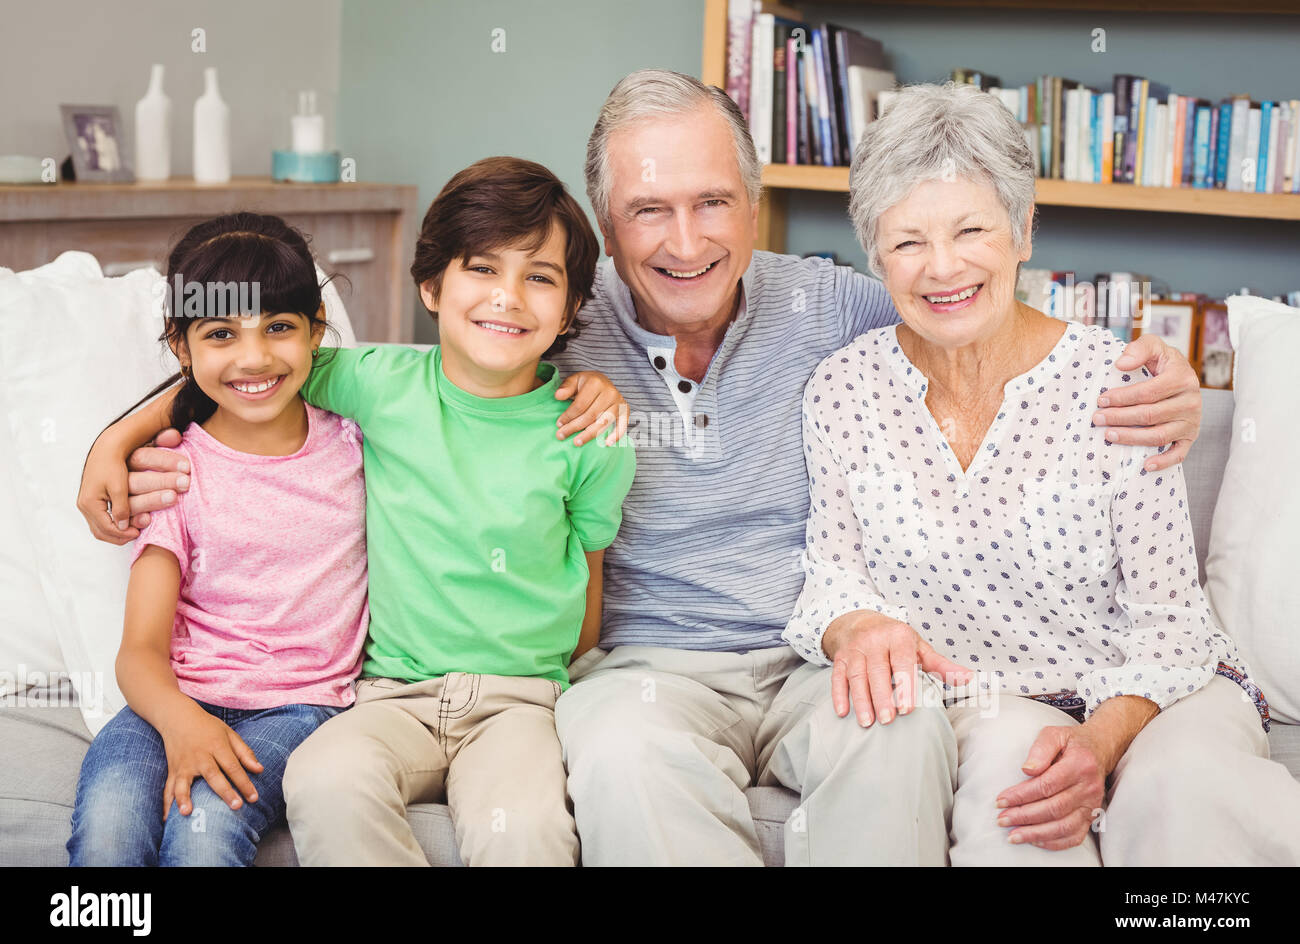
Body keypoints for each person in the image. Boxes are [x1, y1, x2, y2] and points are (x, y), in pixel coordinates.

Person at [90, 71, 1206, 866]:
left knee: (901, 722)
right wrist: (124, 430)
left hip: (813, 649)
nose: (685, 238)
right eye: (647, 210)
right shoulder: (546, 324)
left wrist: (1153, 370)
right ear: (604, 228)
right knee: (619, 749)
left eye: (712, 201)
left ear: (753, 201)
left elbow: (964, 295)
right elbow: (292, 367)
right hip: (643, 666)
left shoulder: (833, 303)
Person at [783, 81, 1300, 865]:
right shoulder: (844, 390)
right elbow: (833, 576)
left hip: (1157, 691)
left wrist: (1099, 738)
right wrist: (857, 625)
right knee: (1016, 811)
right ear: (874, 253)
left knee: (1181, 797)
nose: (943, 266)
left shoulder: (1125, 389)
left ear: (1024, 229)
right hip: (992, 706)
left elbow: (1171, 627)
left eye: (971, 229)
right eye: (908, 240)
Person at [77, 159, 636, 866]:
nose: (508, 298)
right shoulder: (376, 383)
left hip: (518, 701)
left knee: (523, 831)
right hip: (389, 695)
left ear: (573, 306)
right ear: (432, 286)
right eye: (483, 270)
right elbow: (247, 376)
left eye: (539, 277)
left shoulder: (588, 433)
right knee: (323, 779)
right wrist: (114, 439)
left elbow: (590, 590)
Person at [67, 213, 367, 865]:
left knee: (206, 829)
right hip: (172, 701)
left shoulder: (356, 444)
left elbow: (459, 383)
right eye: (221, 334)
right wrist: (182, 721)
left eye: (279, 328)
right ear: (182, 345)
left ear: (317, 328)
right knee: (109, 831)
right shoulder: (175, 471)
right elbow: (138, 653)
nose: (254, 357)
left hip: (300, 706)